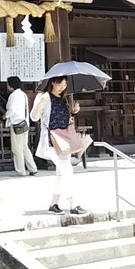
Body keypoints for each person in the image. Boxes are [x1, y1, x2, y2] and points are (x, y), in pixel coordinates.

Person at [30, 75, 86, 215]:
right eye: (60, 84)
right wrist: (41, 102)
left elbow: (65, 118)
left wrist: (74, 111)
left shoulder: (64, 99)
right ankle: (74, 204)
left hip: (64, 139)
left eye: (65, 85)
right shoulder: (44, 97)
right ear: (53, 82)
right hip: (51, 140)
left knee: (61, 173)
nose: (62, 87)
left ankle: (53, 204)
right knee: (67, 170)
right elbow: (34, 117)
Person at [4, 76, 37, 176]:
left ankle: (21, 170)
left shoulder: (13, 95)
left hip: (16, 124)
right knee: (24, 147)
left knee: (17, 149)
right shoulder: (23, 94)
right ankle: (32, 167)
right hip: (24, 123)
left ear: (11, 85)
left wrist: (5, 116)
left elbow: (12, 110)